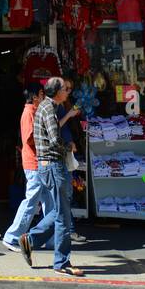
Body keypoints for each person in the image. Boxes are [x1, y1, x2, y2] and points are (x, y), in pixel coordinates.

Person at [19, 77, 84, 277]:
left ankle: (30, 240)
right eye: (65, 89)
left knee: (59, 210)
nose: (67, 91)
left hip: (49, 166)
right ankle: (61, 262)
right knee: (63, 214)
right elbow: (55, 141)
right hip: (54, 165)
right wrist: (69, 148)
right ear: (57, 92)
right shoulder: (48, 109)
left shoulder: (48, 108)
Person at [2, 84, 45, 253]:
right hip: (34, 163)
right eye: (41, 94)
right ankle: (12, 236)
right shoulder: (29, 113)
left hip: (40, 162)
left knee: (49, 202)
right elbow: (30, 139)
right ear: (34, 97)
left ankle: (47, 238)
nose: (43, 97)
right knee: (31, 201)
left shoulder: (35, 112)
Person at [57, 77, 84, 242]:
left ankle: (67, 229)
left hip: (65, 151)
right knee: (63, 194)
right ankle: (68, 230)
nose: (68, 92)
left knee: (64, 193)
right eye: (66, 88)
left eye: (70, 89)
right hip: (60, 153)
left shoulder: (62, 106)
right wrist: (69, 114)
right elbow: (56, 126)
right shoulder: (53, 107)